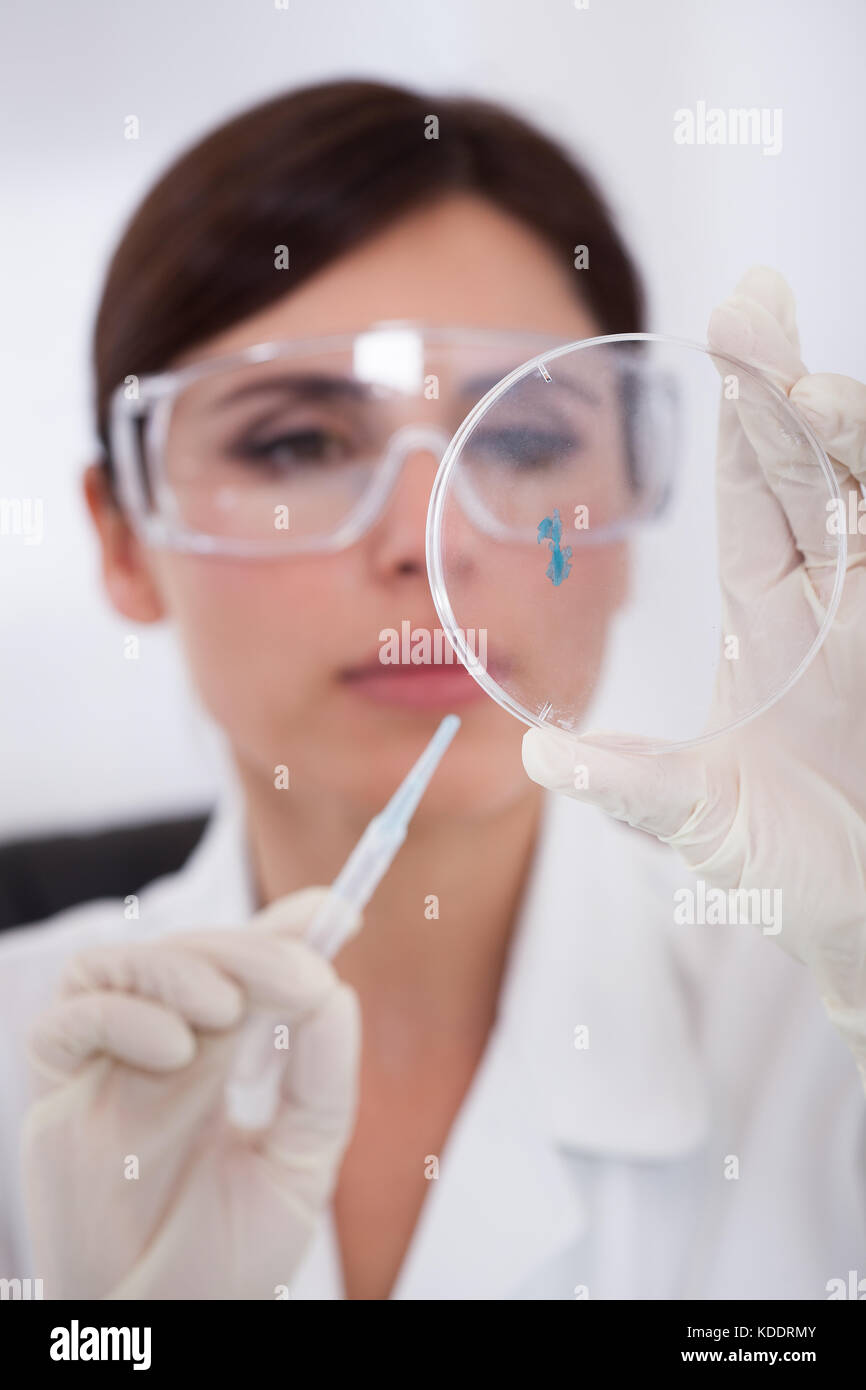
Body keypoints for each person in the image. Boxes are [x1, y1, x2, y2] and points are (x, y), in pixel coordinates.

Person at [1, 79, 864, 1302]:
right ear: (124, 540)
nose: (427, 540)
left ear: (632, 501)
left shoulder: (828, 1039)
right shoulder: (22, 1066)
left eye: (517, 442)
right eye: (295, 443)